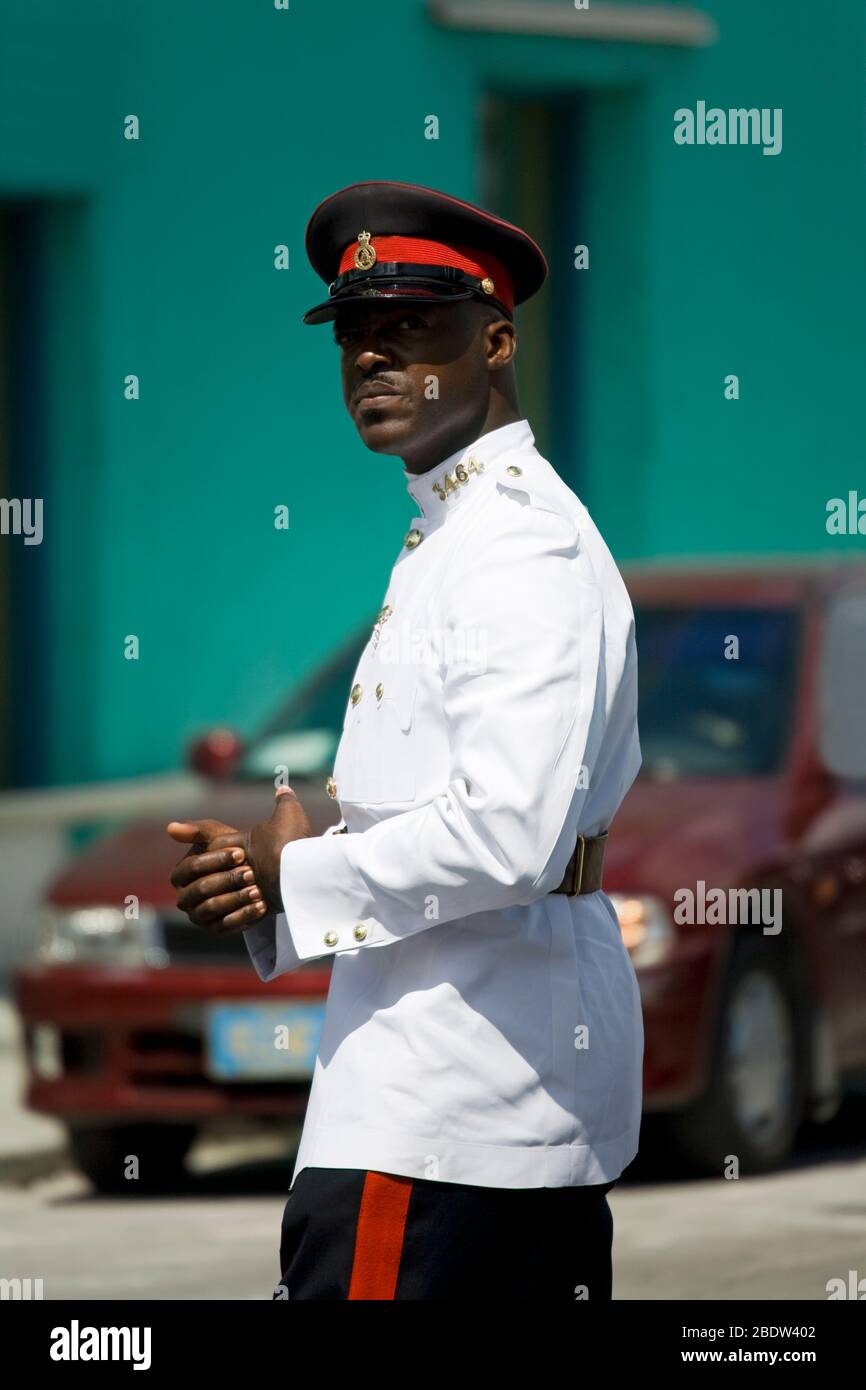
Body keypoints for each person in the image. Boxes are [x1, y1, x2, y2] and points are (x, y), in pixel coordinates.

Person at [168, 180, 644, 1301]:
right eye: (355, 338)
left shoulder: (514, 546)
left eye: (408, 331)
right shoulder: (449, 530)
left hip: (442, 1113)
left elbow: (509, 833)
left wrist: (304, 872)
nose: (371, 361)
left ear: (493, 341)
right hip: (447, 1100)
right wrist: (276, 876)